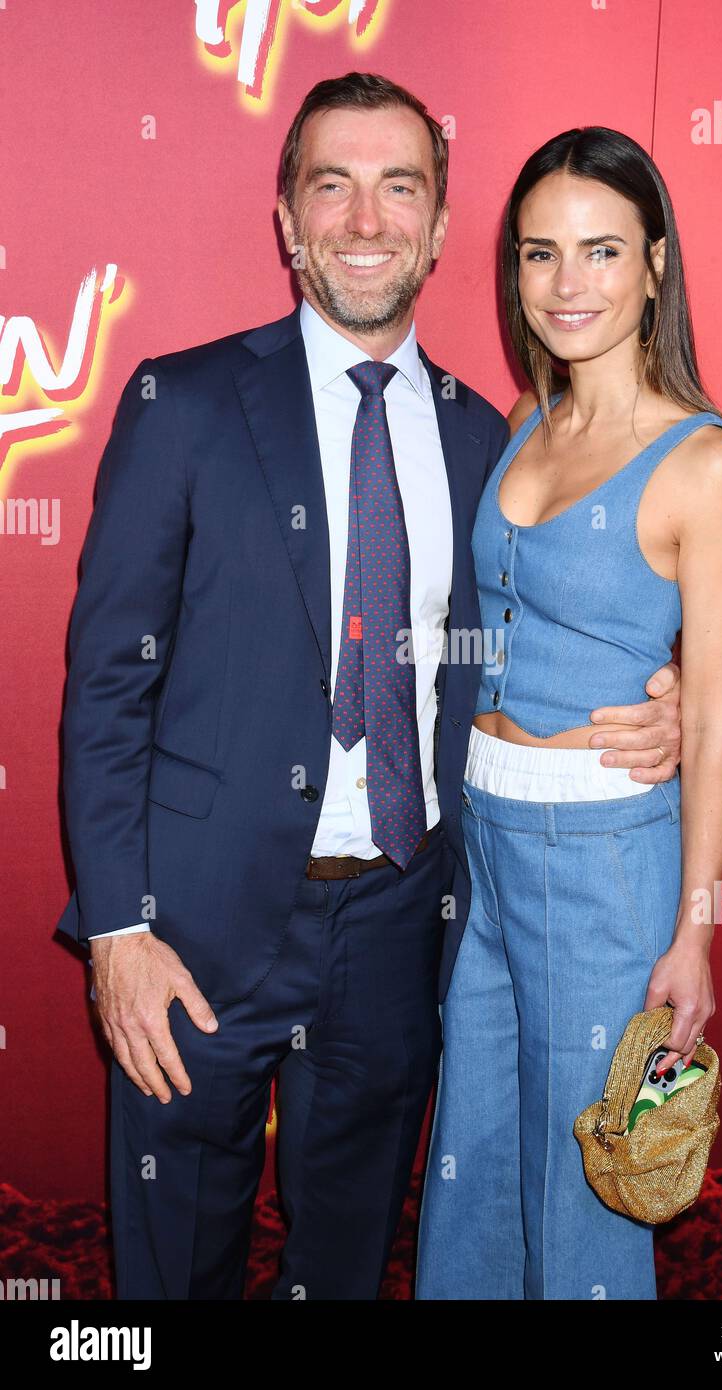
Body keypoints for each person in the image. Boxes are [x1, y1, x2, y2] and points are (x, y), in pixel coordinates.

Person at [55, 77, 682, 1300]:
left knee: (345, 1269)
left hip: (399, 927)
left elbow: (517, 646)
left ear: (441, 229)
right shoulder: (177, 404)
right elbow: (104, 690)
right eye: (328, 184)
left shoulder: (489, 442)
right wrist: (117, 931)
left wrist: (659, 695)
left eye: (400, 185)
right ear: (286, 221)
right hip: (192, 931)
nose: (363, 218)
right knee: (173, 1269)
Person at [416, 126, 722, 1300]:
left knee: (584, 1189)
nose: (565, 286)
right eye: (537, 254)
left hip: (602, 861)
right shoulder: (523, 416)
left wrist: (696, 935)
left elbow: (712, 723)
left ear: (656, 263)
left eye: (601, 251)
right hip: (482, 840)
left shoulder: (704, 463)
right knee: (469, 1163)